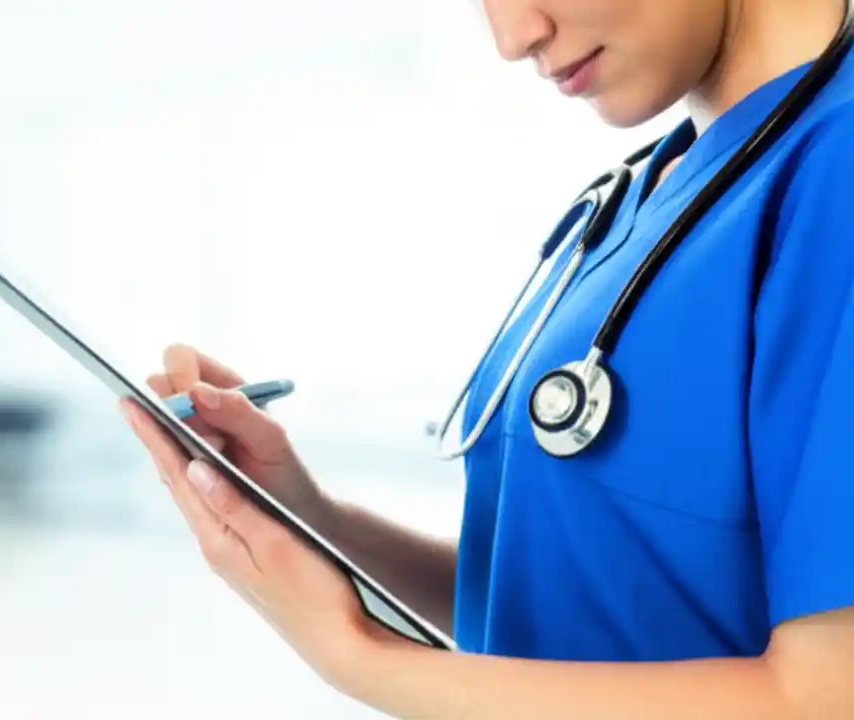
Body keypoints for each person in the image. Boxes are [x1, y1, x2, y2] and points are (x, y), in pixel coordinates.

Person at [118, 0, 854, 716]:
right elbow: (560, 603)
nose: (513, 36)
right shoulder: (666, 182)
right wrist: (313, 517)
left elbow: (825, 695)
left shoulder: (834, 174)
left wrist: (359, 655)